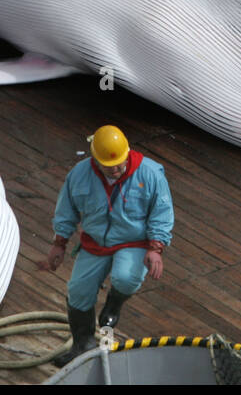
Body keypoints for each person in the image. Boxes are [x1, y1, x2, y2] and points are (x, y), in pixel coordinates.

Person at [45, 125, 174, 367]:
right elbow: (66, 210)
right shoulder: (78, 175)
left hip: (134, 242)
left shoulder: (150, 174)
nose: (115, 169)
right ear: (95, 158)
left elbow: (162, 211)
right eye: (108, 165)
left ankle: (114, 303)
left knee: (126, 277)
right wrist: (59, 244)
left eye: (120, 163)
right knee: (78, 291)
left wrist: (156, 248)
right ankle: (82, 345)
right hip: (96, 243)